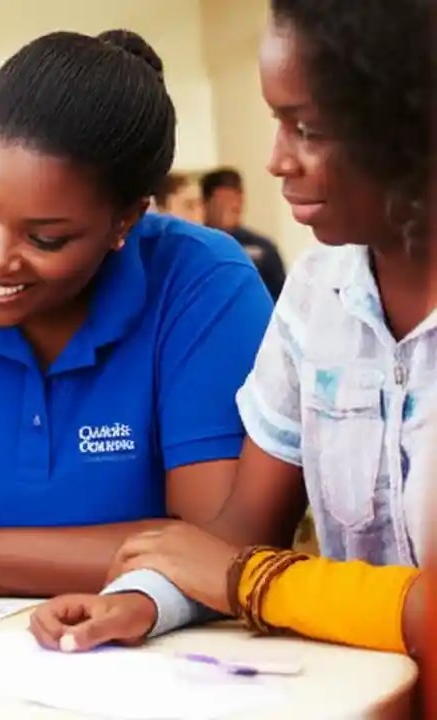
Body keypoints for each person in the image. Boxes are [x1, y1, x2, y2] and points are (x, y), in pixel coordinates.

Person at [0, 29, 274, 622]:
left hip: (148, 649)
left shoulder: (204, 283)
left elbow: (216, 547)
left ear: (126, 221)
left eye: (45, 239)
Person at [29, 0, 431, 658]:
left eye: (307, 128)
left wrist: (252, 581)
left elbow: (242, 568)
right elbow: (240, 535)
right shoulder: (316, 295)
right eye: (277, 123)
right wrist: (142, 600)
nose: (276, 161)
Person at [201, 168, 288, 299]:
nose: (234, 206)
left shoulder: (262, 248)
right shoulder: (197, 246)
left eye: (238, 198)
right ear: (206, 203)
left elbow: (280, 296)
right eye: (225, 200)